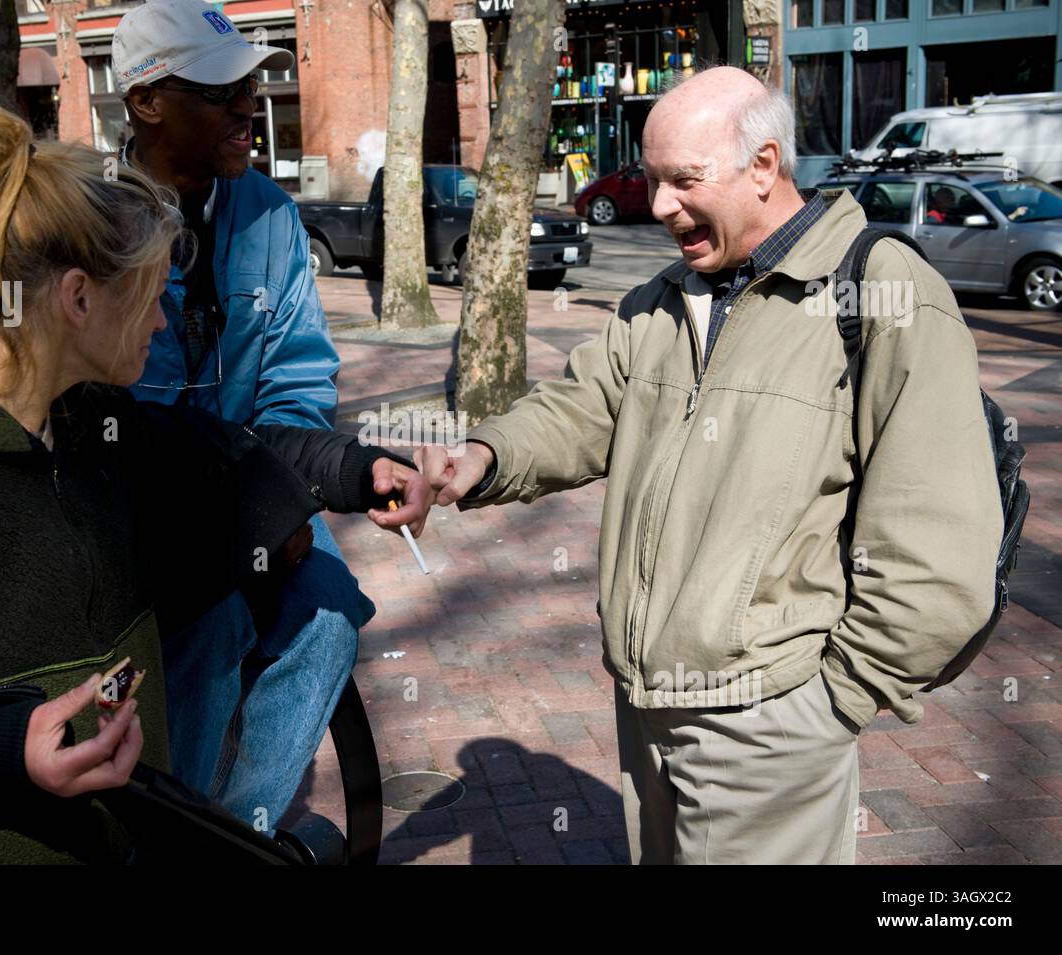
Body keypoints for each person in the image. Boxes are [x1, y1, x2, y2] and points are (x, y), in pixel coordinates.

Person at [0, 102, 429, 864]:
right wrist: (3, 740)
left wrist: (357, 467)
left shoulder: (94, 424)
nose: (160, 324)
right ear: (79, 299)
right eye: (148, 296)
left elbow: (227, 449)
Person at [417, 67, 1002, 864]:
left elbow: (939, 549)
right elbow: (585, 409)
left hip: (772, 726)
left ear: (765, 167)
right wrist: (480, 457)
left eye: (682, 181)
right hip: (646, 710)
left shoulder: (886, 292)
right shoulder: (663, 297)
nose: (658, 206)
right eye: (653, 180)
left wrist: (831, 701)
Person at [109, 0, 372, 828]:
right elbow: (96, 421)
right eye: (221, 91)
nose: (248, 106)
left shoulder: (270, 214)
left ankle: (238, 830)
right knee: (210, 621)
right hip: (133, 504)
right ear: (148, 101)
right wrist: (240, 510)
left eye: (251, 86)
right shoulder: (89, 223)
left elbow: (298, 378)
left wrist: (276, 497)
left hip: (262, 474)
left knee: (330, 617)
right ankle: (172, 830)